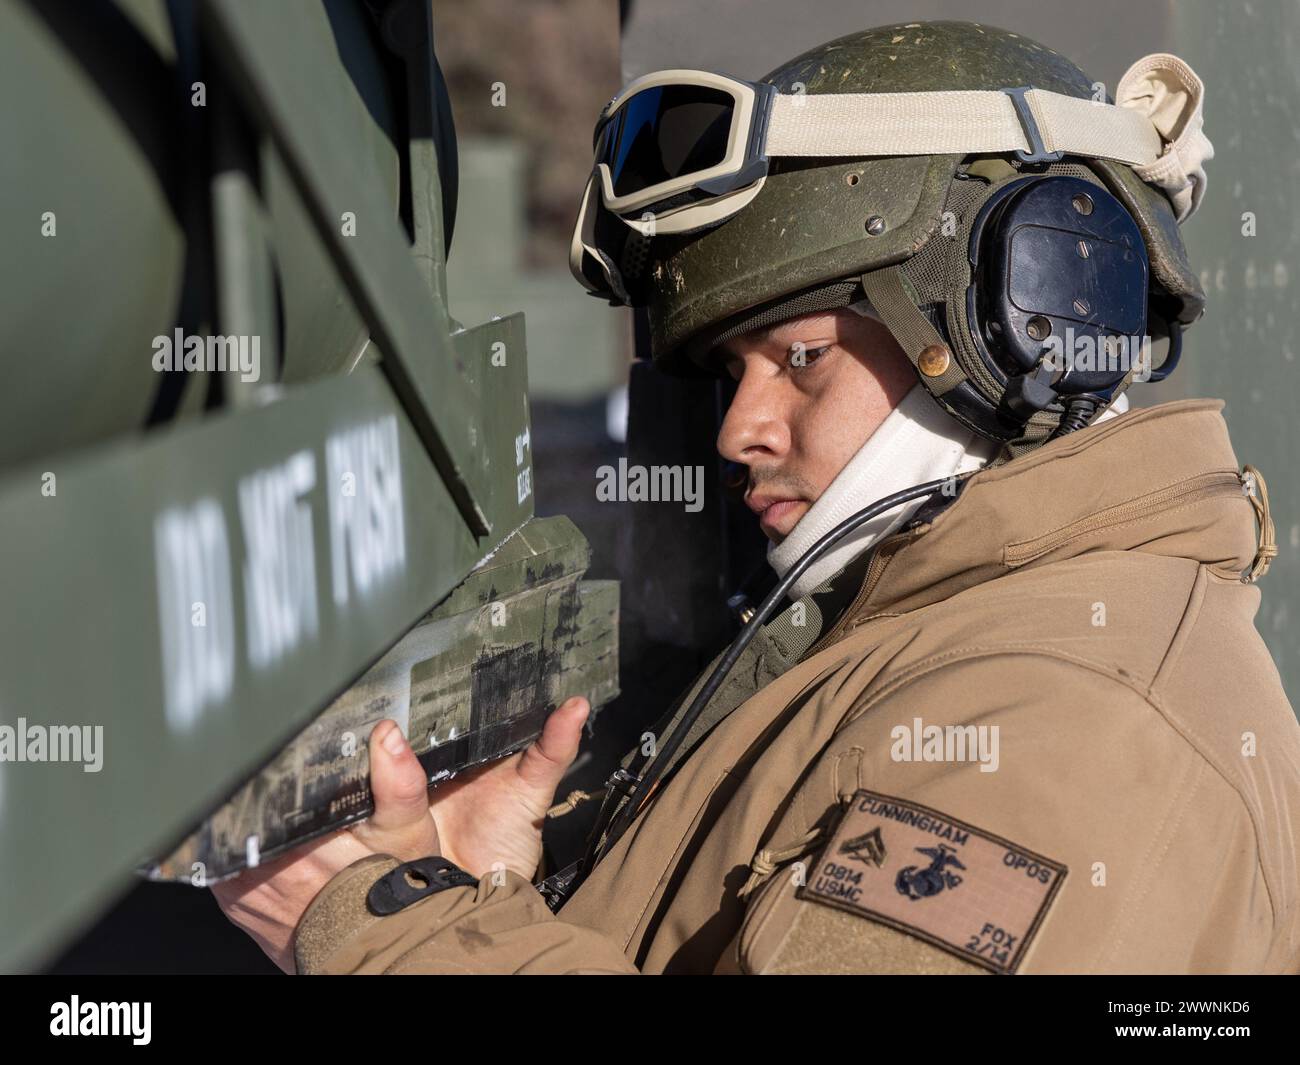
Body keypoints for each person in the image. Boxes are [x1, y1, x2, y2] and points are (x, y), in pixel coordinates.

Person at [215, 21, 1299, 974]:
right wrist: (487, 899)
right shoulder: (944, 637)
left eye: (803, 356)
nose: (741, 431)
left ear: (1027, 322)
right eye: (732, 374)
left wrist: (386, 934)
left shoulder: (1068, 728)